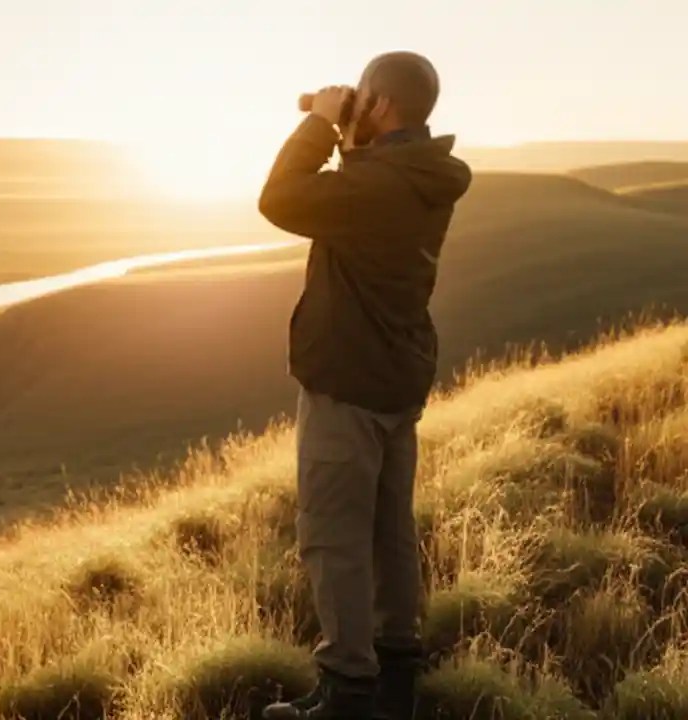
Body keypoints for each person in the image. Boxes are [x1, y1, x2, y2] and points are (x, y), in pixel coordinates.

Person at [257, 52, 472, 720]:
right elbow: (363, 191)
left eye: (361, 100)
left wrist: (321, 126)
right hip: (394, 376)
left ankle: (348, 687)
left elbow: (280, 199)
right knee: (388, 530)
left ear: (379, 104)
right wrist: (353, 142)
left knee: (334, 535)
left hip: (348, 382)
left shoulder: (378, 187)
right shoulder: (420, 176)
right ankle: (396, 671)